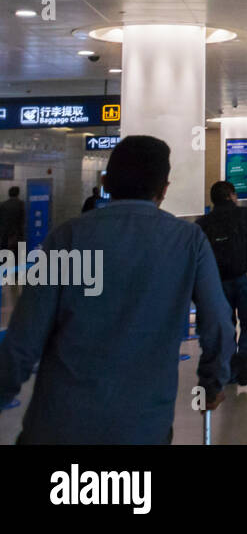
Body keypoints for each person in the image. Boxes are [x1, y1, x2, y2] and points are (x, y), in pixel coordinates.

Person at [0, 135, 234, 443]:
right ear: (164, 189)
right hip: (143, 426)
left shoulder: (65, 238)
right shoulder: (189, 242)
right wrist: (212, 384)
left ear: (106, 182)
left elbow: (23, 338)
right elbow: (218, 324)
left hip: (58, 424)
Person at [197, 181, 247, 387]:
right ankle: (243, 357)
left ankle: (231, 366)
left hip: (218, 282)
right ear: (232, 195)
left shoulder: (203, 223)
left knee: (226, 324)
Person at [0, 187, 23, 256]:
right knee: (18, 257)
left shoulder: (3, 205)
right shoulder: (21, 204)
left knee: (4, 255)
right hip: (17, 235)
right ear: (18, 193)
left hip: (5, 234)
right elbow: (22, 221)